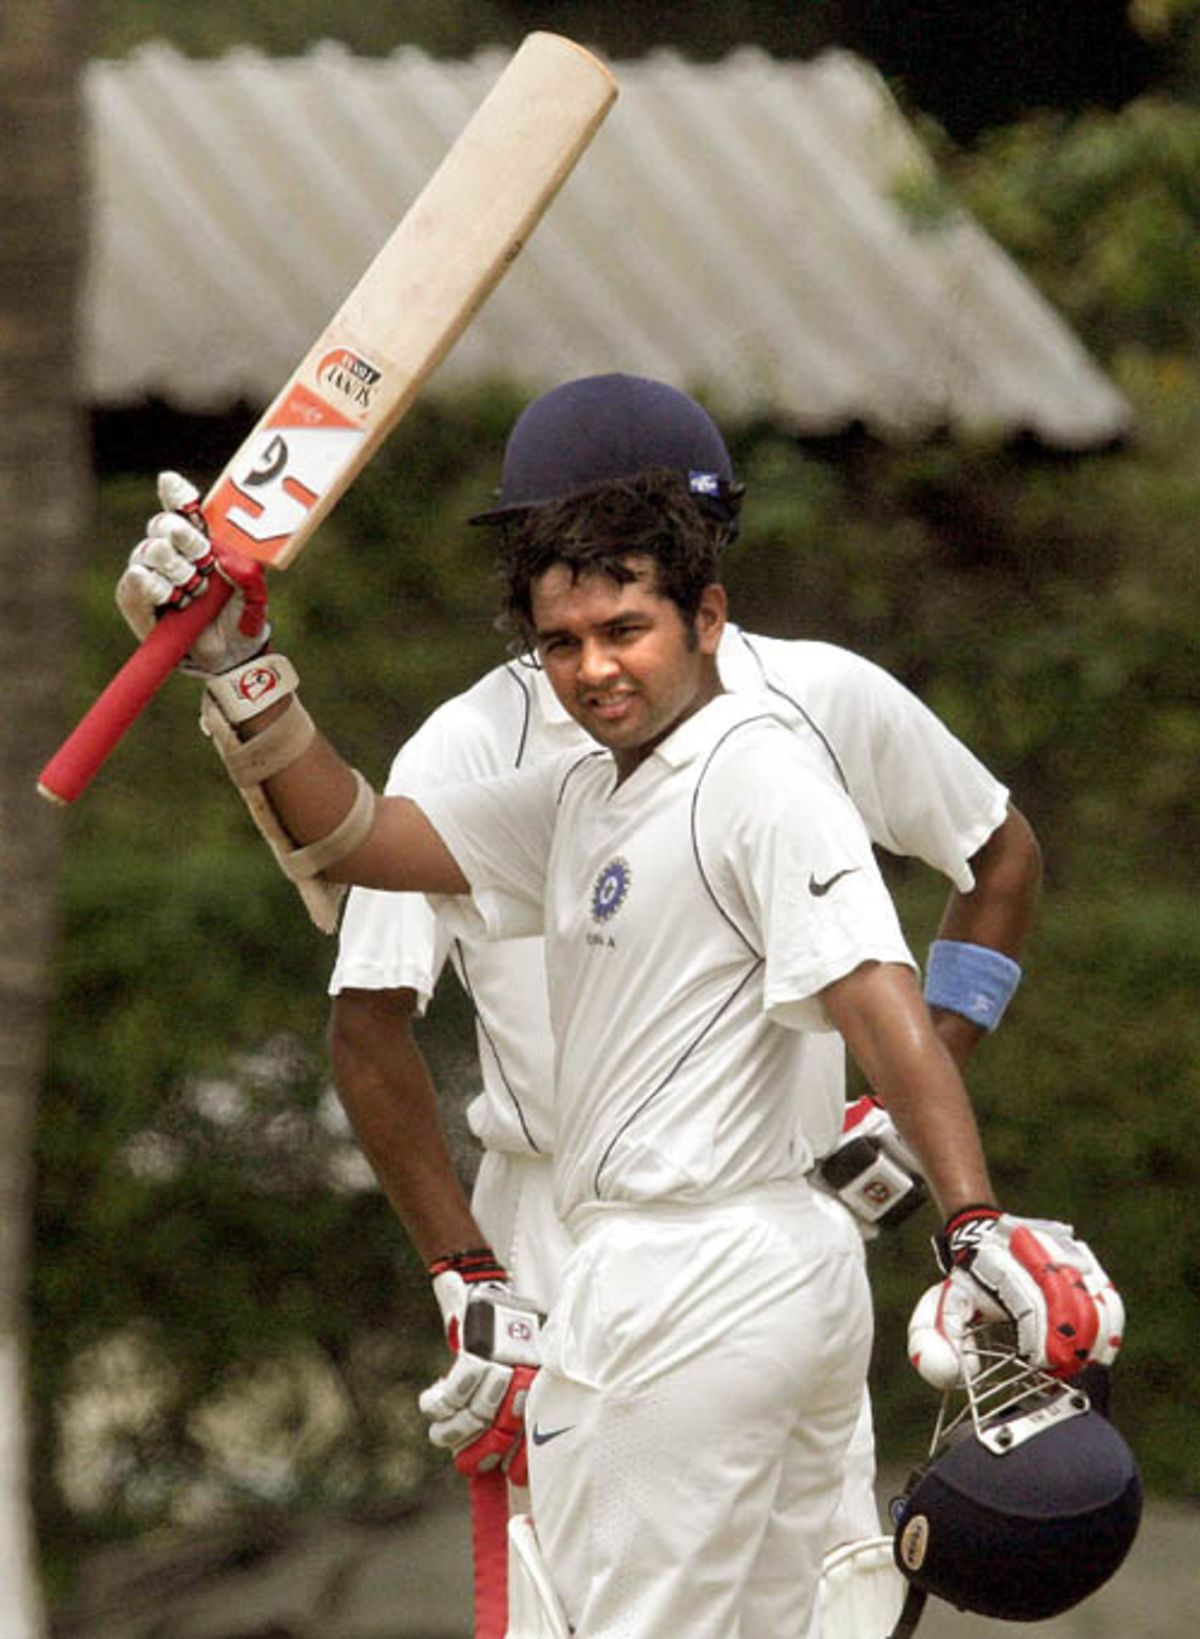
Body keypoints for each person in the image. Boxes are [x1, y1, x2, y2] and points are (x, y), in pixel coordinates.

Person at [117, 400, 1122, 1638]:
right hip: (736, 1260)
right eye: (564, 638)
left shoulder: (761, 765)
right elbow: (359, 836)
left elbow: (880, 989)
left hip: (684, 1267)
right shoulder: (583, 785)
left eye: (625, 626)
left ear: (706, 607)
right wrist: (234, 665)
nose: (594, 664)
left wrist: (967, 1213)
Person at [325, 375, 1041, 1539]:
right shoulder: (471, 743)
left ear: (700, 566)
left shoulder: (815, 697)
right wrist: (468, 1275)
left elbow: (997, 856)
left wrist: (911, 1106)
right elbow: (367, 1023)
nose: (597, 623)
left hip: (781, 1209)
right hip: (559, 1230)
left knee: (819, 1582)